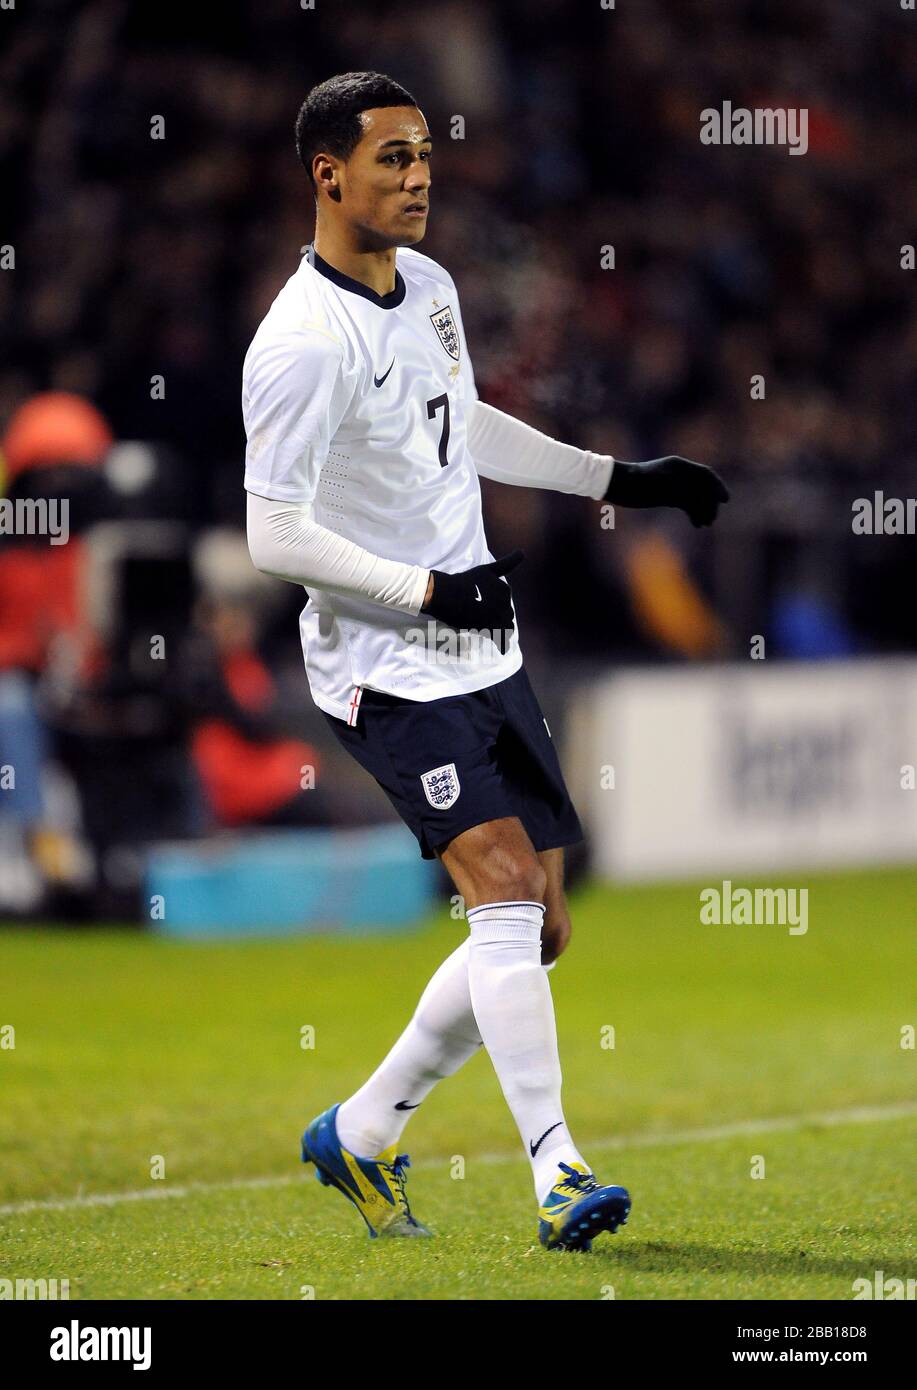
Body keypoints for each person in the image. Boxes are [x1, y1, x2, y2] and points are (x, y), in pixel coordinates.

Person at [243, 71, 729, 1250]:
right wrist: (421, 588)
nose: (418, 177)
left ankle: (357, 1134)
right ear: (328, 174)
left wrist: (619, 478)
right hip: (386, 661)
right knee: (501, 893)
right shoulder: (301, 345)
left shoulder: (435, 288)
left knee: (537, 927)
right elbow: (274, 531)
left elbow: (467, 423)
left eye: (423, 154)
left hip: (481, 644)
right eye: (391, 159)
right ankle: (558, 1170)